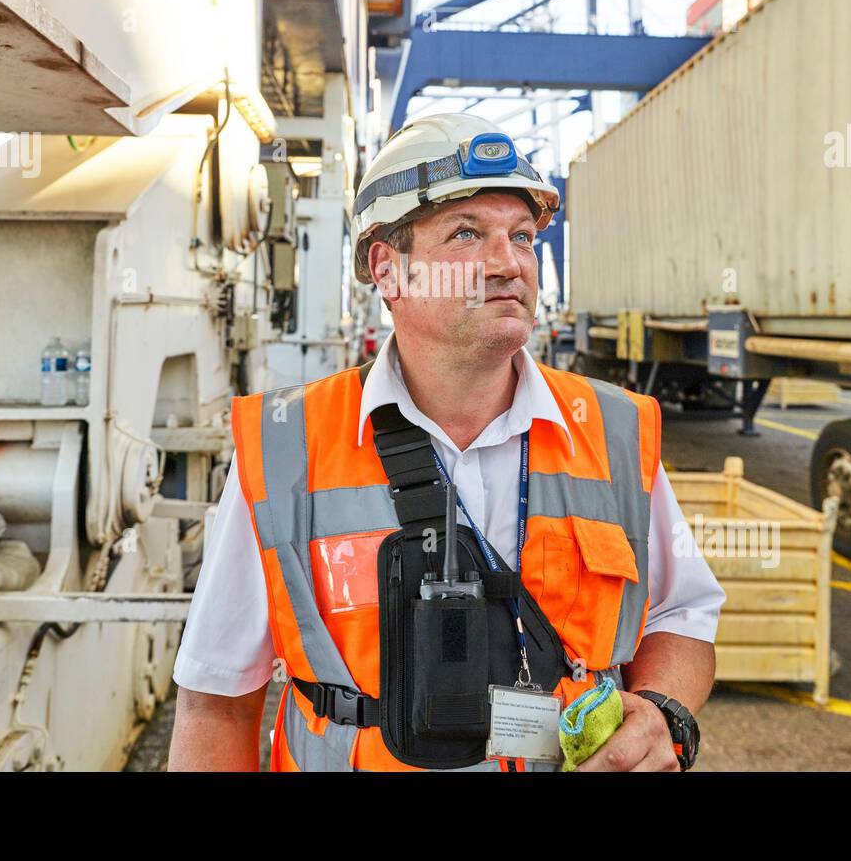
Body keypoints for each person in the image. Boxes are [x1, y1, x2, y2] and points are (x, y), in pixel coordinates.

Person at [168, 113, 726, 772]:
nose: (510, 263)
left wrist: (664, 710)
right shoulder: (286, 450)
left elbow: (682, 616)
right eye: (467, 234)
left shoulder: (612, 432)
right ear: (388, 269)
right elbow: (217, 705)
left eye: (522, 236)